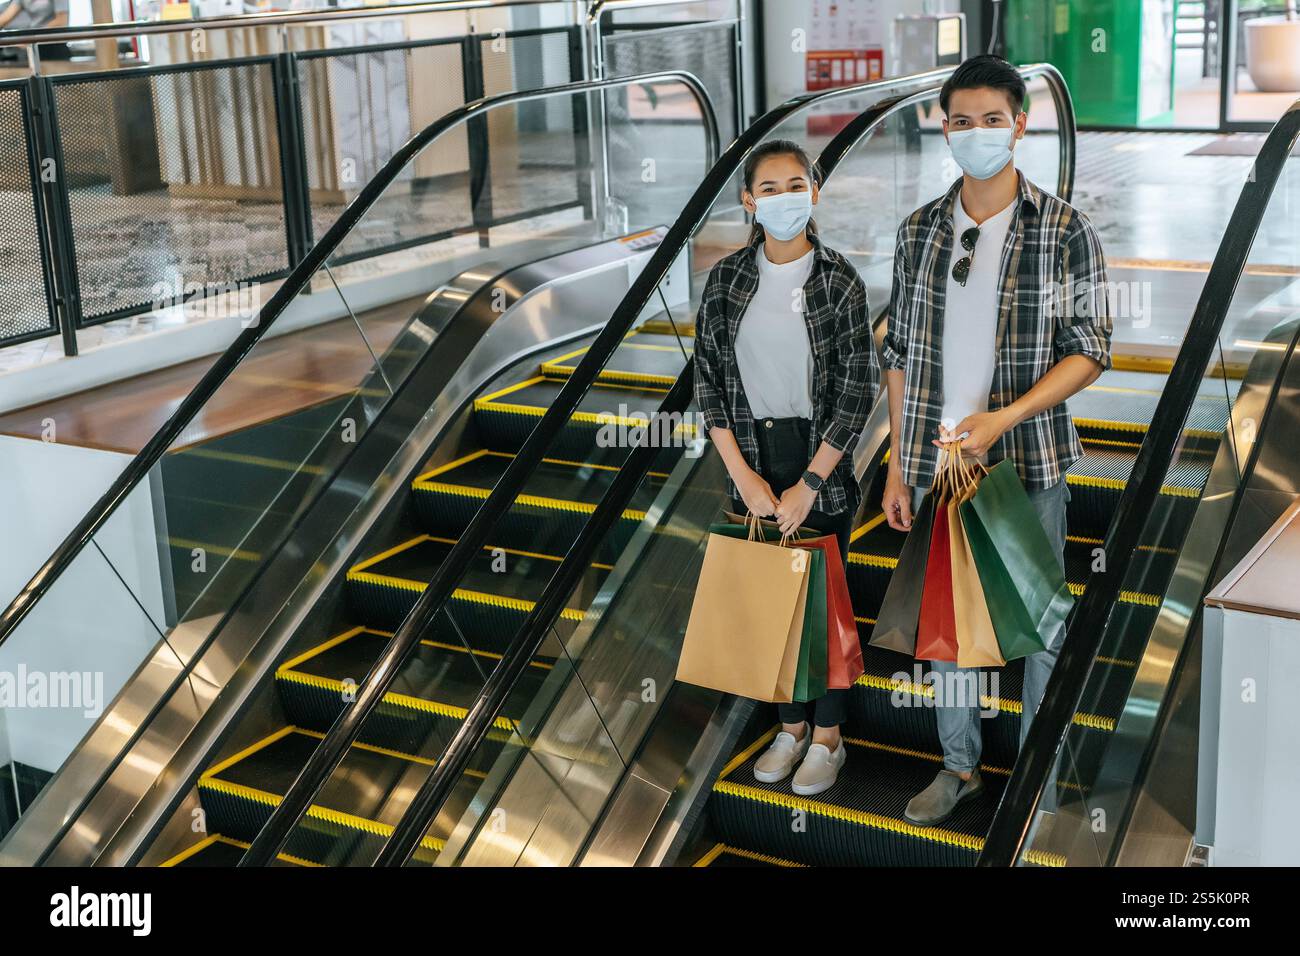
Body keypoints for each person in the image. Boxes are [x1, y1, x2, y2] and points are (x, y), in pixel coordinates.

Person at [878, 55, 1112, 825]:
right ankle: (958, 766)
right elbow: (900, 354)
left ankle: (1038, 767)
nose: (975, 133)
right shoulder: (919, 232)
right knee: (948, 627)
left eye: (991, 118)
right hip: (938, 464)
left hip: (1025, 460)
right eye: (960, 119)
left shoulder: (1066, 230)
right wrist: (896, 470)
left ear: (1020, 122)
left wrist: (1004, 420)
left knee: (1040, 620)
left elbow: (1090, 347)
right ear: (942, 127)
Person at [694, 139, 879, 796]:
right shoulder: (726, 280)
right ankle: (790, 726)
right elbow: (709, 386)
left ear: (815, 193)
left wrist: (811, 482)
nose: (782, 198)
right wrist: (742, 476)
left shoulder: (838, 280)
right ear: (749, 202)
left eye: (795, 184)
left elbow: (859, 390)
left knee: (823, 605)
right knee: (769, 602)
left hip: (816, 460)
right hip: (752, 461)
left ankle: (829, 737)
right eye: (768, 188)